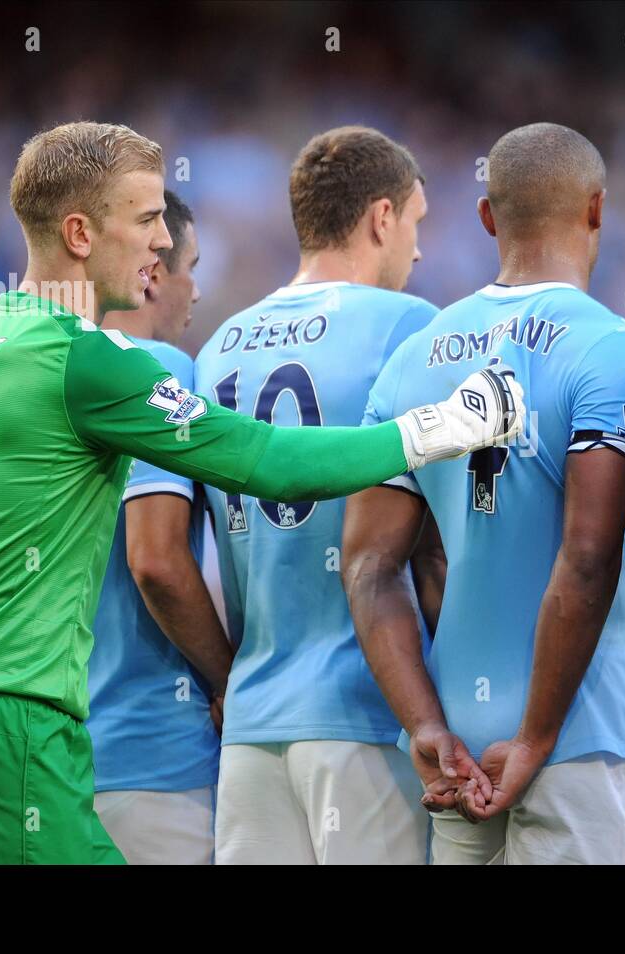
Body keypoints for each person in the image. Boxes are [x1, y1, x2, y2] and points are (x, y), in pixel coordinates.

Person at [0, 120, 524, 864]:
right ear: (82, 233)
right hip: (12, 726)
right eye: (147, 219)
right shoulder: (88, 361)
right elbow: (270, 462)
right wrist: (442, 426)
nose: (161, 242)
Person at [344, 123, 625, 864]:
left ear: (488, 218)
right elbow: (587, 558)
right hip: (582, 736)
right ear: (597, 210)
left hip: (457, 746)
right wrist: (537, 734)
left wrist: (423, 724)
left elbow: (367, 568)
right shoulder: (613, 348)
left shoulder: (411, 361)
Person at [197, 127, 440, 864]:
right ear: (380, 218)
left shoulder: (216, 349)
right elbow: (435, 549)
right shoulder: (412, 329)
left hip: (252, 721)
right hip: (368, 716)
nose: (421, 251)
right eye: (418, 223)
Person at [89, 190, 227, 864]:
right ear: (151, 270)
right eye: (190, 266)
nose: (195, 290)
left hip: (50, 752)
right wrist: (228, 680)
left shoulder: (45, 369)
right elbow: (156, 560)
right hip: (151, 757)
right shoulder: (157, 371)